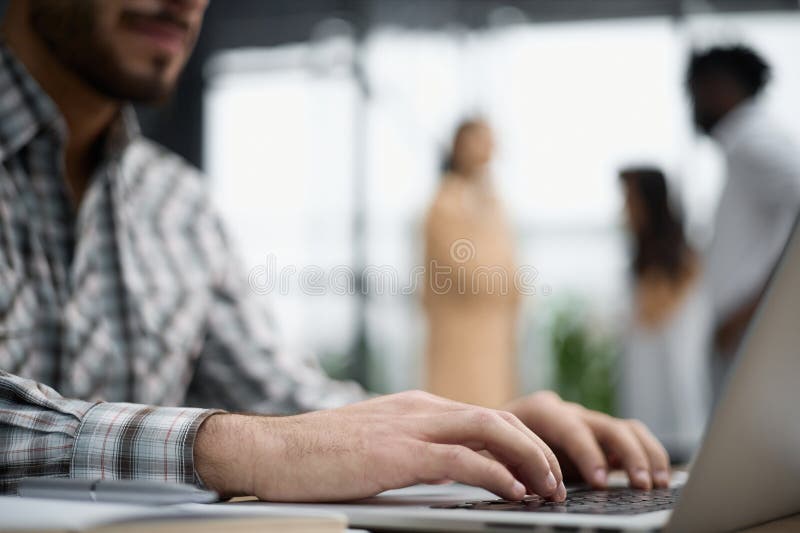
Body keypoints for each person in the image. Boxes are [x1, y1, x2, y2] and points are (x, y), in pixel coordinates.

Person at [0, 0, 670, 502]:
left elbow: (291, 403)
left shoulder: (180, 205)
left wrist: (464, 435)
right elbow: (275, 440)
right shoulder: (443, 208)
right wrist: (240, 447)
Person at [686, 46, 800, 395]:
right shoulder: (746, 144)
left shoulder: (754, 142)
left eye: (694, 92)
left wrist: (755, 309)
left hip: (755, 336)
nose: (692, 106)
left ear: (718, 86)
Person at [423, 120, 519, 408]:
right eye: (481, 139)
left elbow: (510, 269)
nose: (489, 147)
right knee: (458, 412)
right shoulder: (446, 203)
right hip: (459, 336)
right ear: (459, 146)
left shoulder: (493, 202)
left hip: (495, 333)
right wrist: (500, 276)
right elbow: (467, 270)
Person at [618, 167, 711, 461]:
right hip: (647, 399)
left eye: (629, 199)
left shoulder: (680, 260)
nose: (624, 210)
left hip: (675, 403)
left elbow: (653, 315)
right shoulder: (642, 260)